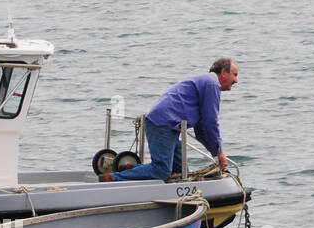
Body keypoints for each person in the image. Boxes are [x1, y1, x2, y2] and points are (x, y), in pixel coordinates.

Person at [102, 58, 238, 181]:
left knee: (181, 172)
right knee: (161, 171)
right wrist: (219, 153)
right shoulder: (212, 84)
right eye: (235, 75)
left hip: (170, 127)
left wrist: (215, 152)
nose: (236, 80)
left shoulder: (207, 82)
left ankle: (130, 168)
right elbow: (211, 122)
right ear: (223, 72)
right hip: (162, 124)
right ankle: (111, 179)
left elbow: (202, 129)